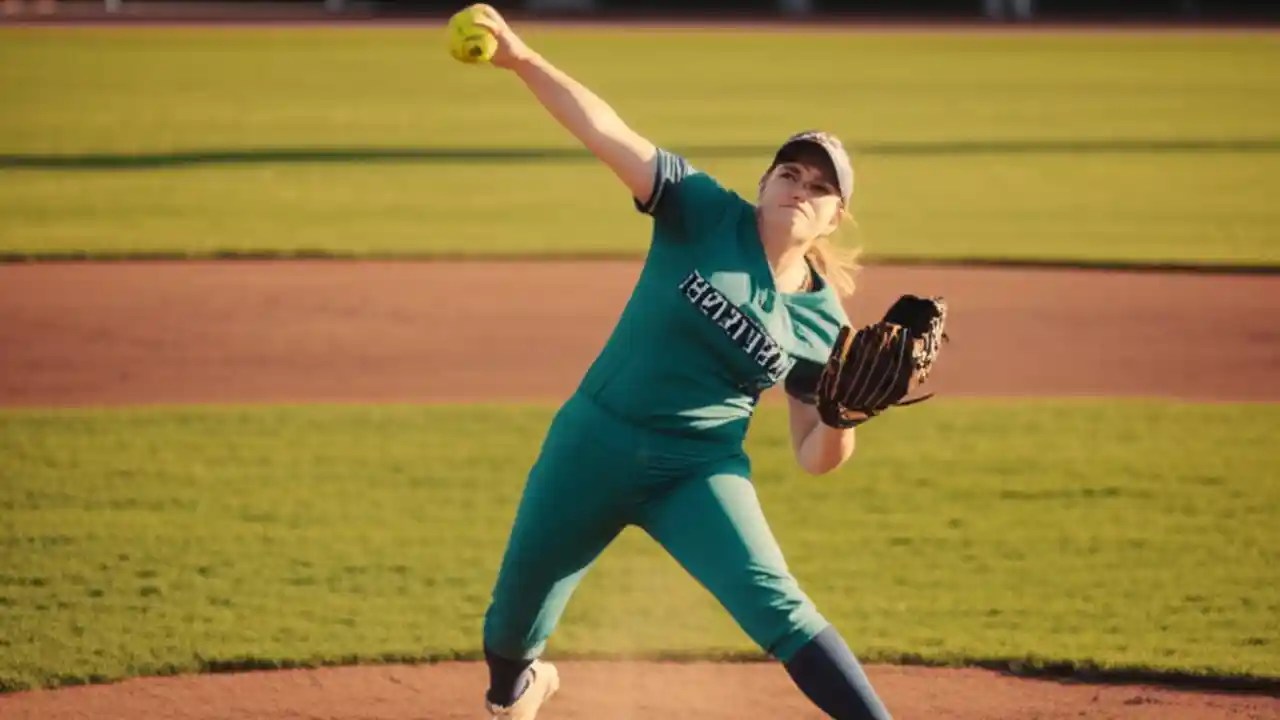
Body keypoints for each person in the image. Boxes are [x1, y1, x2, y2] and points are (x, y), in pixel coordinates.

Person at [464, 5, 894, 719]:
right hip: (592, 444)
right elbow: (605, 131)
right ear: (764, 183)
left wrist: (844, 418)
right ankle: (518, 691)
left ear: (835, 216)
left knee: (781, 607)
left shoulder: (826, 326)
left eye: (820, 187)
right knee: (510, 631)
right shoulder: (701, 212)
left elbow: (814, 456)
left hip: (697, 472)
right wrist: (522, 59)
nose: (800, 188)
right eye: (790, 173)